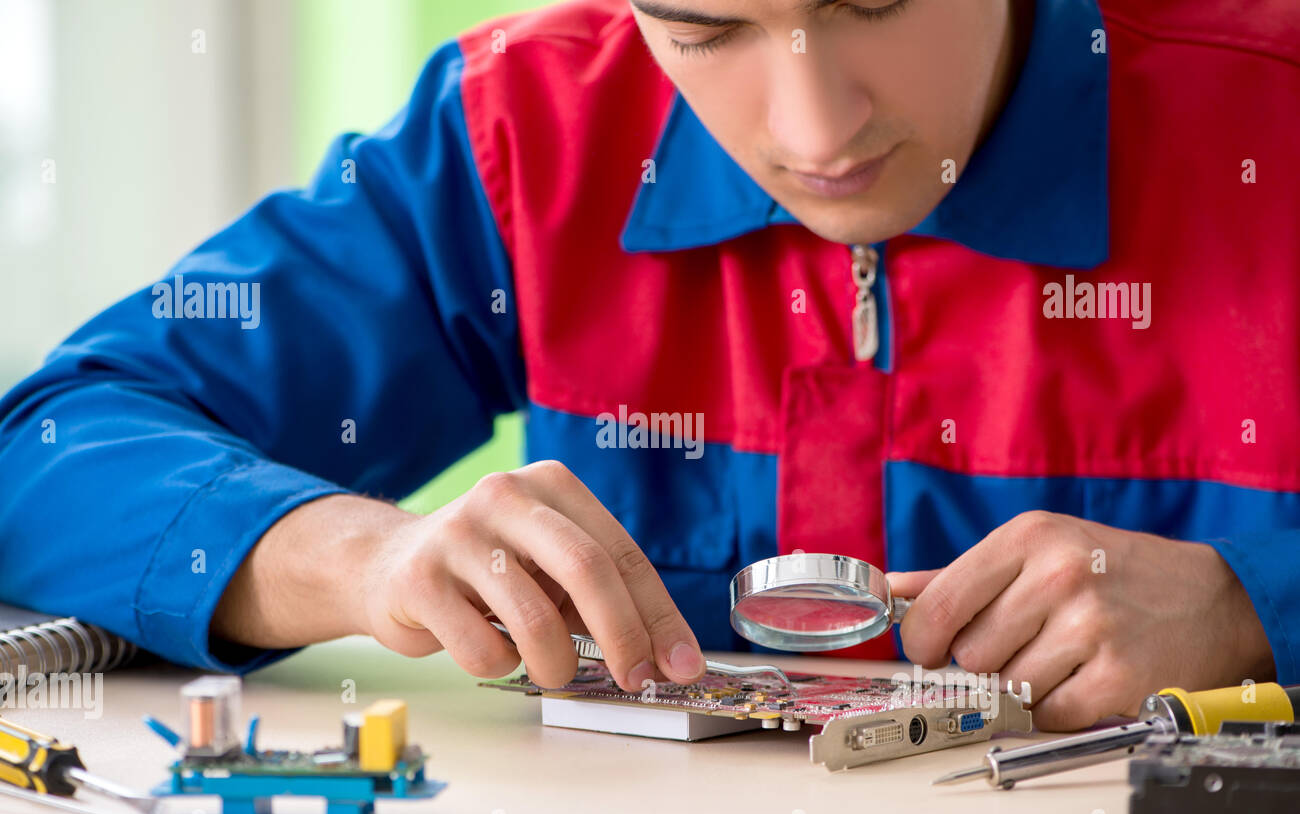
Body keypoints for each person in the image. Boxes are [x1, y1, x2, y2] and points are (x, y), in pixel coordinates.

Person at [1, 0, 1295, 731]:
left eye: (877, 0)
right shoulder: (525, 138)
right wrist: (366, 557)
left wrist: (1263, 616)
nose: (814, 132)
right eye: (704, 24)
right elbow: (50, 443)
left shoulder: (1269, 119)